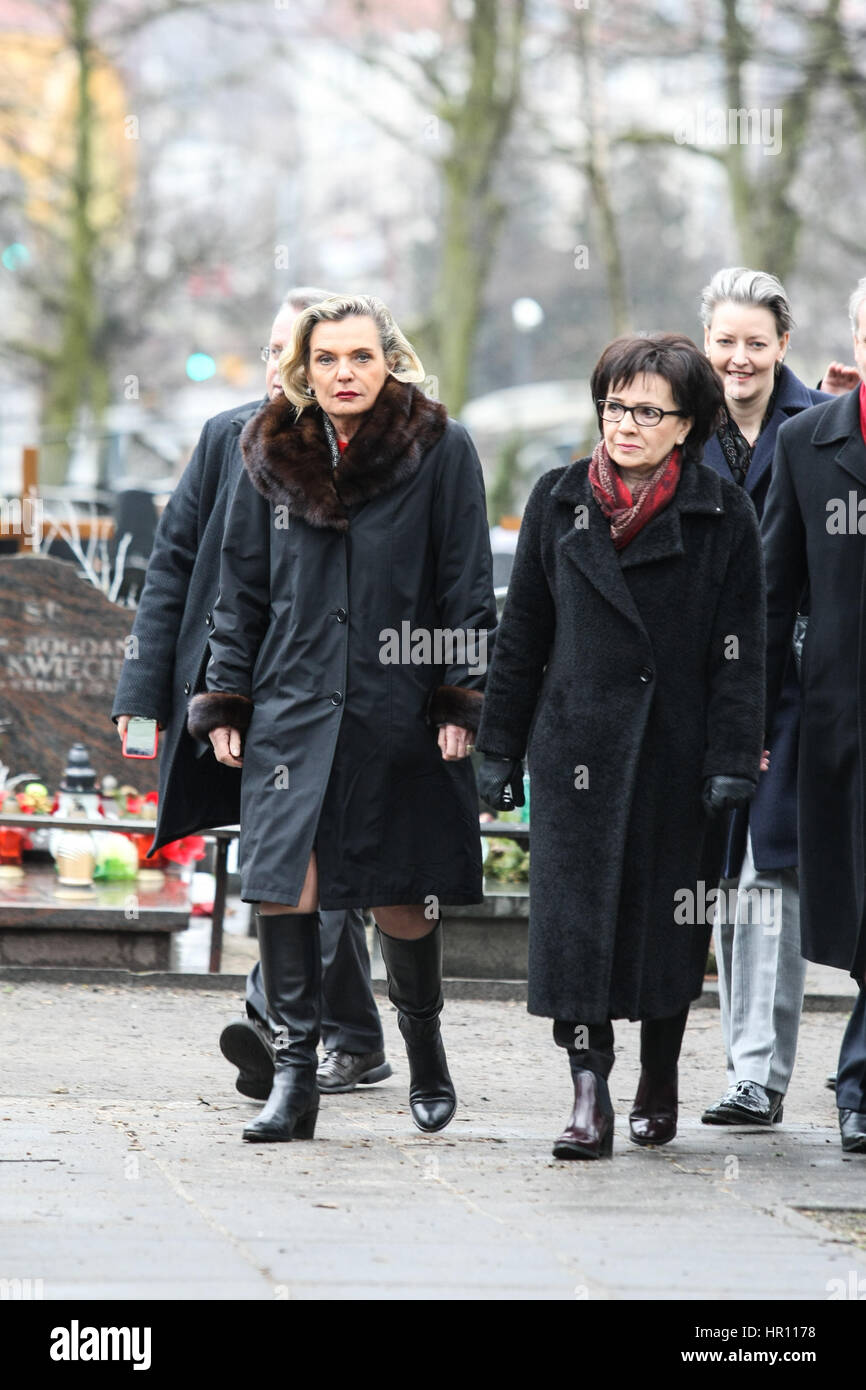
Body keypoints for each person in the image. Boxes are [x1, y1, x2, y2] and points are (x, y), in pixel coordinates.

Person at [187, 293, 495, 1143]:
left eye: (360, 357)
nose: (343, 373)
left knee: (401, 894)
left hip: (397, 705)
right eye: (326, 360)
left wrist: (460, 697)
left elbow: (466, 583)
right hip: (290, 702)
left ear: (388, 359)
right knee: (286, 882)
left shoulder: (441, 445)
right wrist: (226, 695)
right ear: (303, 367)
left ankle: (424, 1049)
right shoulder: (270, 445)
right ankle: (294, 1078)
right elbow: (238, 587)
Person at [473, 332, 765, 1159]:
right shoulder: (558, 497)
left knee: (669, 925)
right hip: (575, 755)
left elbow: (742, 647)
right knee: (575, 926)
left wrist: (732, 759)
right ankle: (587, 1089)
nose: (624, 424)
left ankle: (660, 1071)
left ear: (687, 424)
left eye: (646, 410)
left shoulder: (722, 512)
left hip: (677, 755)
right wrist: (498, 747)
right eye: (613, 405)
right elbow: (522, 632)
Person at [111, 287, 393, 1102]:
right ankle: (358, 1039)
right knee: (288, 852)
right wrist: (146, 691)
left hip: (328, 689)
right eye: (273, 351)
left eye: (293, 352)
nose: (280, 367)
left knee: (311, 850)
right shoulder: (225, 435)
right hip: (236, 690)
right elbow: (173, 566)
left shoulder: (367, 444)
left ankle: (275, 1027)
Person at [697, 268, 829, 1127]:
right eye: (724, 342)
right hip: (702, 692)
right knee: (718, 884)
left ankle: (759, 1074)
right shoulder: (672, 422)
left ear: (783, 345)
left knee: (767, 878)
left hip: (791, 690)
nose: (739, 358)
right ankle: (740, 1059)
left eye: (756, 342)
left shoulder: (820, 430)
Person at [761, 277, 866, 1154]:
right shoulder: (807, 444)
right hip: (845, 722)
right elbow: (772, 593)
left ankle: (859, 1078)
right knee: (852, 905)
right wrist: (745, 728)